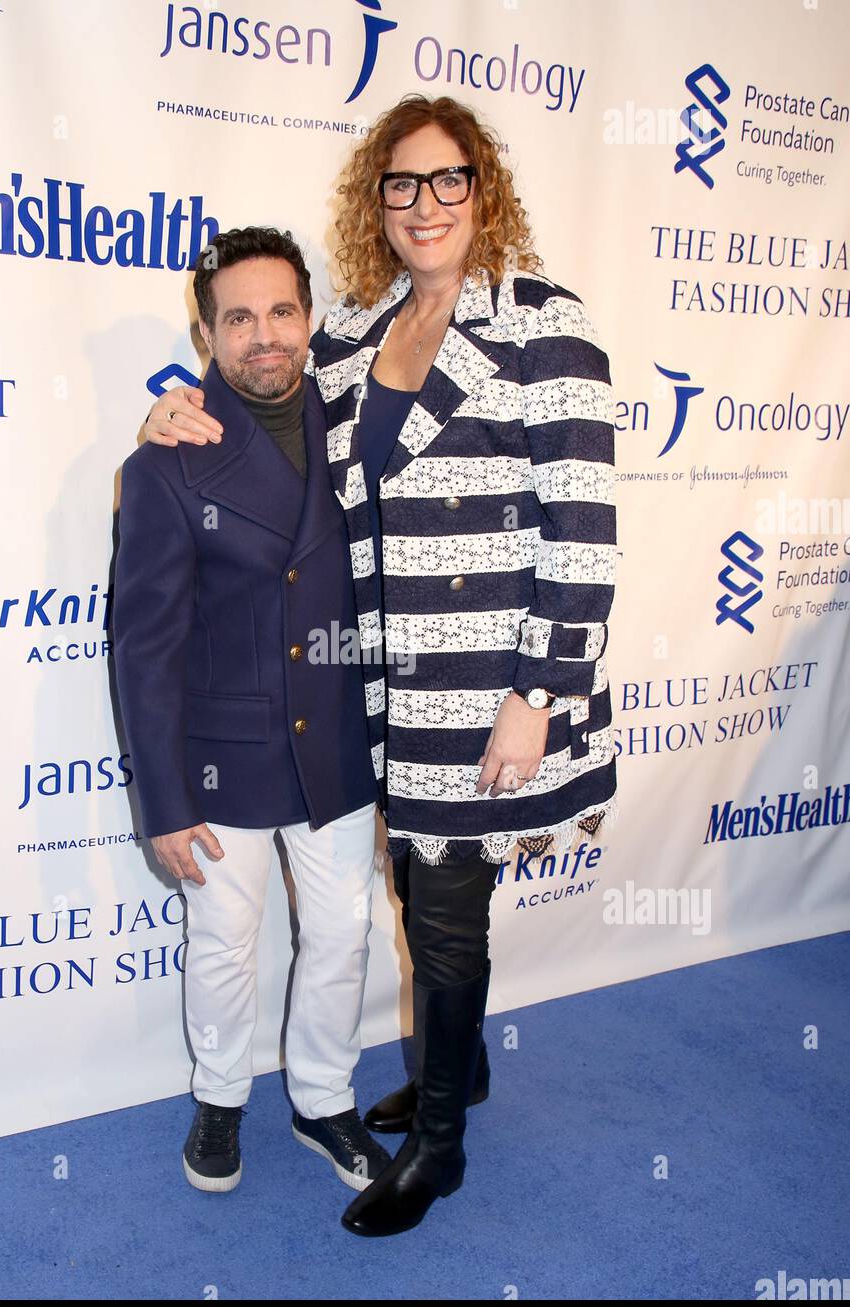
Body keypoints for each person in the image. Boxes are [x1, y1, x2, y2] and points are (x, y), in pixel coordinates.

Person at [143, 94, 618, 1237]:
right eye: (399, 185)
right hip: (388, 693)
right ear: (377, 202)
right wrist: (174, 413)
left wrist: (533, 697)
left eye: (445, 178)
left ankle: (441, 1146)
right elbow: (267, 400)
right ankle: (468, 1070)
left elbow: (584, 537)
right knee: (423, 902)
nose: (422, 204)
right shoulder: (357, 332)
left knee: (442, 915)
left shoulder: (547, 332)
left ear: (481, 186)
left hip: (494, 693)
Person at [114, 226, 392, 1199]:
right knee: (224, 946)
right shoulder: (165, 462)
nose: (263, 336)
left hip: (340, 739)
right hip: (224, 752)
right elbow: (143, 644)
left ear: (308, 318)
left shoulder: (360, 420)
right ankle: (220, 1097)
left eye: (280, 312)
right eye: (239, 318)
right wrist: (161, 795)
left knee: (342, 936)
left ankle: (322, 1098)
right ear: (207, 333)